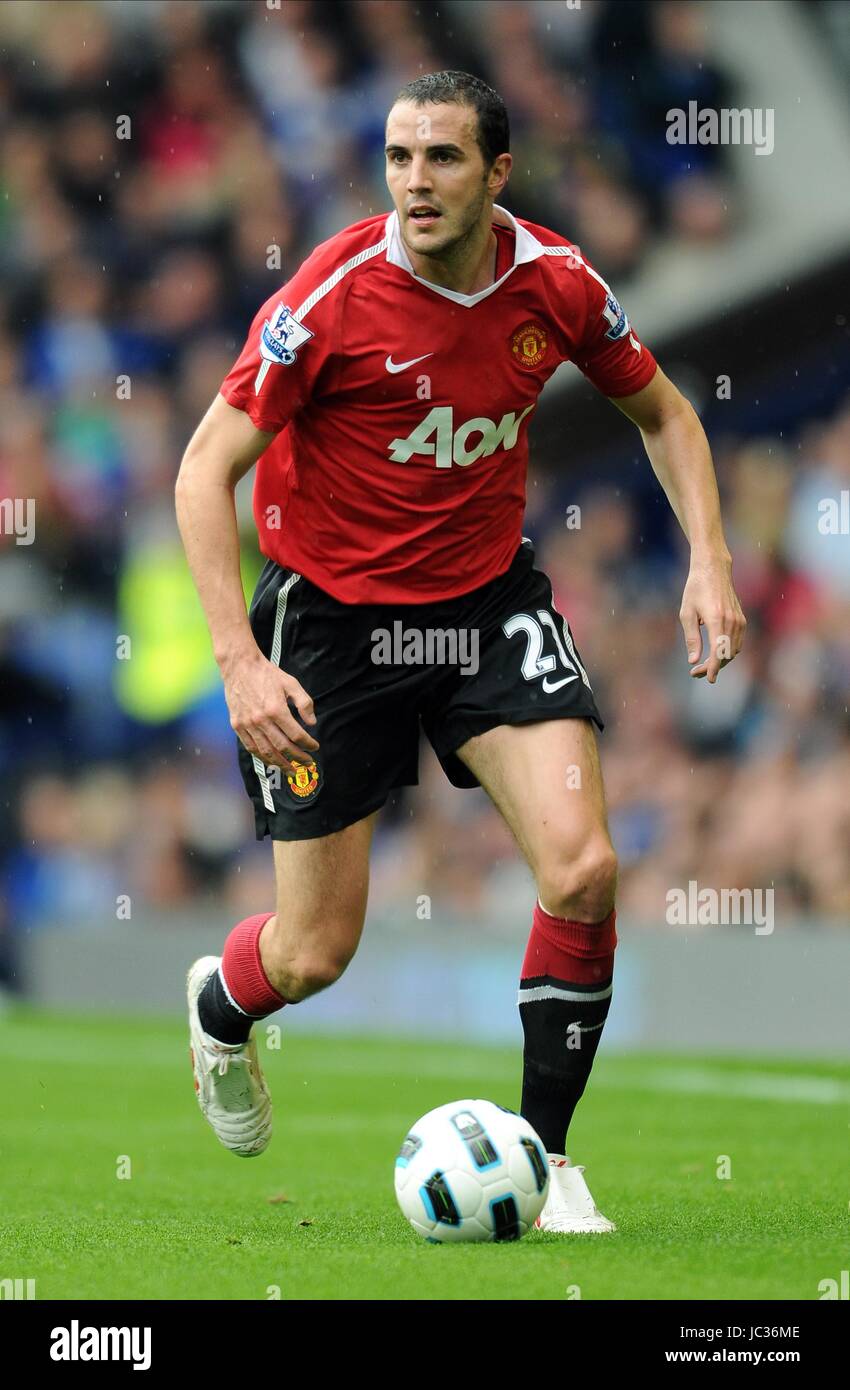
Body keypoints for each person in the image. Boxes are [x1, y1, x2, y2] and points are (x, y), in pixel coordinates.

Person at [175, 70, 746, 1234]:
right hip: (332, 627)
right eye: (396, 157)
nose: (413, 183)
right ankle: (222, 1010)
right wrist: (238, 659)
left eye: (440, 158)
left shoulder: (558, 282)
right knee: (313, 952)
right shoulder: (329, 297)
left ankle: (549, 1156)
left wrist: (710, 562)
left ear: (497, 172)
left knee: (583, 868)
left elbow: (668, 415)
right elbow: (202, 471)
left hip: (486, 606)